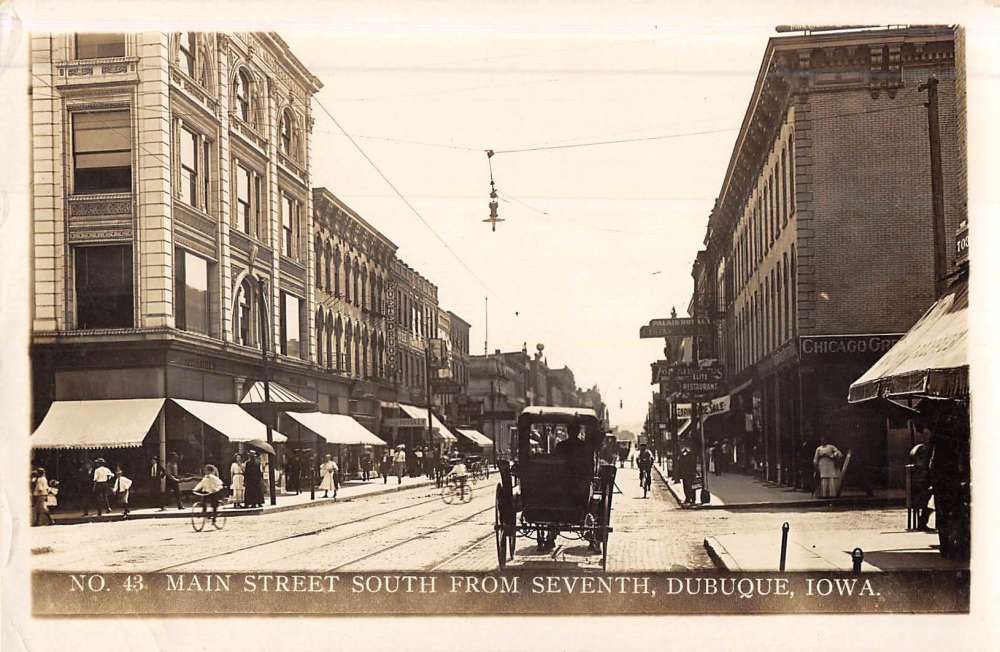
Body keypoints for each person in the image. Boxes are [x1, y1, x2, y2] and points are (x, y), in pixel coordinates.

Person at [909, 442, 933, 531]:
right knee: (928, 503)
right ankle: (922, 523)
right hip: (922, 491)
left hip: (923, 488)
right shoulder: (920, 469)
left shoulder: (921, 468)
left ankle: (922, 523)